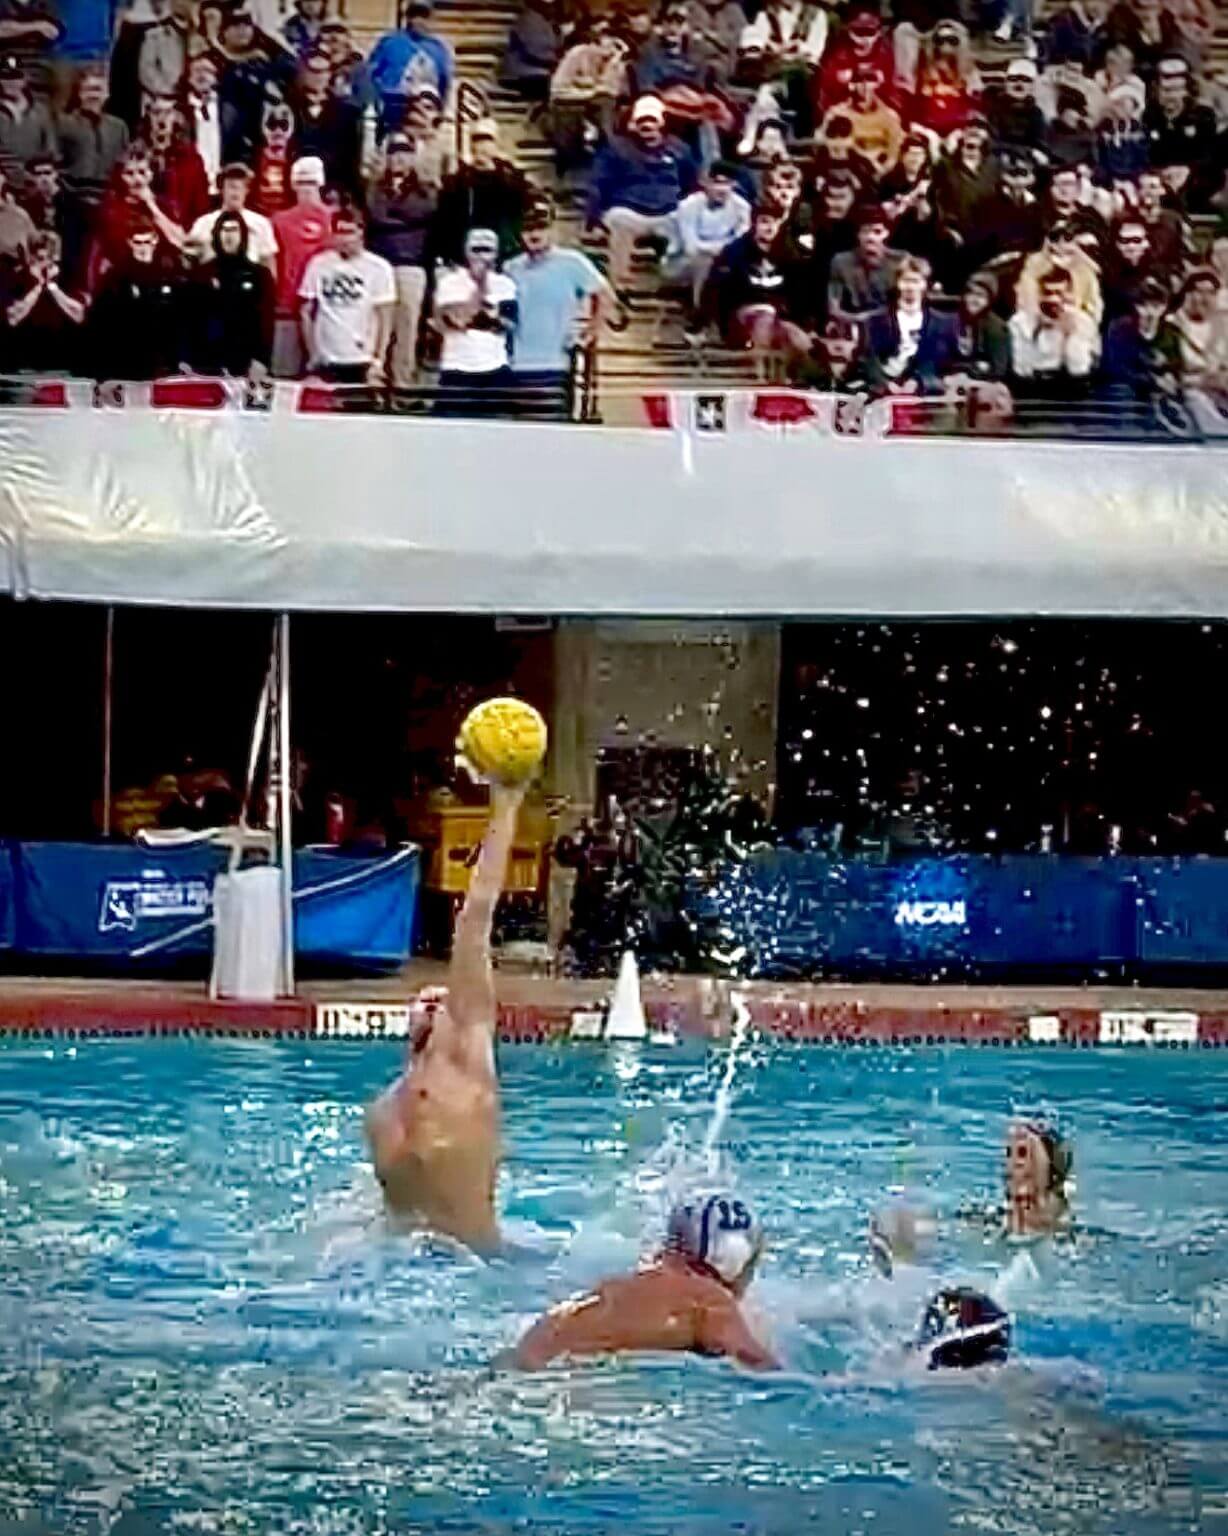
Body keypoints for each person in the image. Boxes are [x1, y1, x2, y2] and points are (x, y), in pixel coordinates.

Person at [366, 780, 526, 1250]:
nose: (434, 1001)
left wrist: (506, 804)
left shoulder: (468, 1062)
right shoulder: (381, 1112)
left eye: (444, 998)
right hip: (399, 1271)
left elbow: (475, 917)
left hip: (478, 1267)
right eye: (422, 998)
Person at [511, 1192, 777, 1369]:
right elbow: (766, 1373)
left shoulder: (637, 1283)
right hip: (566, 1382)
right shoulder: (709, 1302)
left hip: (526, 1356)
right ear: (736, 1260)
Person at [586, 93, 697, 302]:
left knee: (687, 220)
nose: (648, 127)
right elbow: (598, 183)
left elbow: (691, 184)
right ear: (633, 124)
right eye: (642, 122)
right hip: (629, 210)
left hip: (668, 212)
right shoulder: (616, 149)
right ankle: (620, 287)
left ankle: (674, 282)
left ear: (661, 123)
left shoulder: (679, 149)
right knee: (620, 221)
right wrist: (594, 219)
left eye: (652, 121)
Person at [505, 198, 611, 401]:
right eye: (528, 228)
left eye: (541, 227)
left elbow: (604, 294)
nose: (534, 234)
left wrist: (591, 331)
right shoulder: (511, 268)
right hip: (517, 362)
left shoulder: (572, 262)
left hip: (557, 362)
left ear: (553, 230)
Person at [366, 131, 436, 390]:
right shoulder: (375, 187)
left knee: (407, 326)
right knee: (378, 325)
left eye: (404, 153)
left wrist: (396, 213)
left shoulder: (425, 188)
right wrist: (406, 220)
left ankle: (402, 382)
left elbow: (425, 211)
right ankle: (376, 381)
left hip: (411, 263)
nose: (398, 158)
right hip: (380, 263)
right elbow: (376, 215)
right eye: (394, 153)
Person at [299, 206, 394, 384]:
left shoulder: (379, 268)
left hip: (362, 357)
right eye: (339, 232)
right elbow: (306, 311)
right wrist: (313, 352)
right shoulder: (318, 264)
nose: (344, 238)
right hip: (326, 357)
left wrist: (379, 359)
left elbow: (385, 317)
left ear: (361, 232)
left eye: (349, 232)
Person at [431, 224, 517, 413]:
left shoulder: (506, 284)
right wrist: (480, 292)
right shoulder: (449, 283)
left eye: (487, 251)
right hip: (457, 367)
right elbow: (455, 320)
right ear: (467, 251)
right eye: (476, 250)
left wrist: (481, 316)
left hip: (495, 366)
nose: (481, 257)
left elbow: (507, 324)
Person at [87, 221, 188, 379]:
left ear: (155, 241)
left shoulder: (167, 272)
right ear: (130, 243)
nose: (142, 247)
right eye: (138, 242)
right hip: (129, 351)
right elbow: (103, 317)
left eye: (147, 242)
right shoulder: (116, 276)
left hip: (162, 352)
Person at [433, 117, 536, 266]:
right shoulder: (456, 180)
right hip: (465, 255)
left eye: (487, 140)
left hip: (503, 254)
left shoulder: (512, 177)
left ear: (496, 144)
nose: (481, 146)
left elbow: (522, 206)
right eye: (476, 140)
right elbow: (444, 219)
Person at [186, 208, 274, 378]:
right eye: (224, 230)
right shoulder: (201, 274)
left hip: (245, 363)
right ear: (216, 234)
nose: (229, 236)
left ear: (243, 235)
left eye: (234, 230)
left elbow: (266, 322)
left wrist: (261, 359)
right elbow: (191, 319)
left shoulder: (259, 275)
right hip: (207, 364)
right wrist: (187, 360)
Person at [861, 254, 959, 397]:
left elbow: (945, 363)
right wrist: (885, 384)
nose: (910, 287)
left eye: (915, 281)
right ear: (898, 283)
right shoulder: (876, 321)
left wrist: (919, 381)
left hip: (925, 396)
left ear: (924, 284)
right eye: (906, 280)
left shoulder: (943, 323)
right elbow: (869, 359)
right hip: (883, 393)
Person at [664, 159, 750, 319]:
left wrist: (722, 252)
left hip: (721, 262)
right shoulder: (688, 206)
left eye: (728, 183)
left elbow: (741, 244)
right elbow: (691, 247)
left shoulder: (742, 208)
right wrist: (722, 249)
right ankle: (699, 315)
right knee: (703, 261)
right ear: (706, 183)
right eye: (717, 183)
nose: (722, 189)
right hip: (679, 264)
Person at [271, 153, 330, 377]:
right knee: (284, 375)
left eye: (312, 183)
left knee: (324, 375)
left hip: (326, 311)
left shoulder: (334, 219)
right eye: (302, 183)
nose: (307, 189)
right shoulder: (278, 220)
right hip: (287, 308)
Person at [3, 228, 85, 372]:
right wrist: (37, 288)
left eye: (50, 260)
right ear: (31, 257)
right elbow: (12, 317)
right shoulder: (18, 278)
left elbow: (78, 315)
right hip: (24, 365)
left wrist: (53, 289)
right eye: (39, 259)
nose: (44, 264)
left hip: (62, 364)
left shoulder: (68, 277)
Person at [368, 0, 453, 137]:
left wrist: (440, 114)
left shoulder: (438, 49)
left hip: (423, 115)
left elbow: (445, 84)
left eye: (423, 16)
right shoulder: (390, 43)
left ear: (430, 19)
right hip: (390, 112)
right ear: (407, 18)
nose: (418, 20)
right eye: (414, 15)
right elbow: (372, 75)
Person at [1009, 265, 1100, 389]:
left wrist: (1070, 336)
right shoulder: (1020, 322)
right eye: (1048, 293)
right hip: (1031, 389)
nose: (1054, 299)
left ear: (1070, 293)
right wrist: (1038, 329)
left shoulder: (1082, 321)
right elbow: (1022, 369)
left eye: (1060, 293)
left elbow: (1079, 370)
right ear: (1039, 294)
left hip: (1072, 389)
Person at [58, 65, 129, 211]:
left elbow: (124, 166)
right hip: (72, 203)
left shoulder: (118, 127)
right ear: (79, 93)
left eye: (98, 90)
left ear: (107, 93)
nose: (93, 96)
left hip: (109, 203)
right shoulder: (64, 124)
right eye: (88, 90)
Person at [187, 163, 278, 269]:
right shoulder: (203, 224)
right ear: (222, 190)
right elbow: (189, 261)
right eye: (231, 186)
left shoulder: (261, 224)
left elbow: (269, 265)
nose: (236, 192)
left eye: (240, 187)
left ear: (247, 190)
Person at [1101, 273, 1174, 400]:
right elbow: (1115, 367)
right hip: (1122, 390)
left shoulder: (1170, 332)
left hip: (1161, 392)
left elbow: (1175, 365)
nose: (1150, 312)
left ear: (1164, 308)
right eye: (1144, 306)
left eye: (1156, 306)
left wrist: (1169, 376)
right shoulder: (1119, 328)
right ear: (1136, 306)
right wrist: (1152, 381)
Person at [827, 203, 903, 322]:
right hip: (856, 323)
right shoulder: (841, 262)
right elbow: (833, 309)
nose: (870, 238)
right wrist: (858, 319)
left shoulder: (901, 261)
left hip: (894, 323)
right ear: (858, 234)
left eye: (877, 232)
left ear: (886, 233)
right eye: (865, 232)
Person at [0, 56, 55, 192]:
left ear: (24, 79)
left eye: (15, 77)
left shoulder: (40, 110)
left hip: (35, 182)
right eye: (6, 78)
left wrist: (39, 178)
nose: (11, 83)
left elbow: (49, 150)